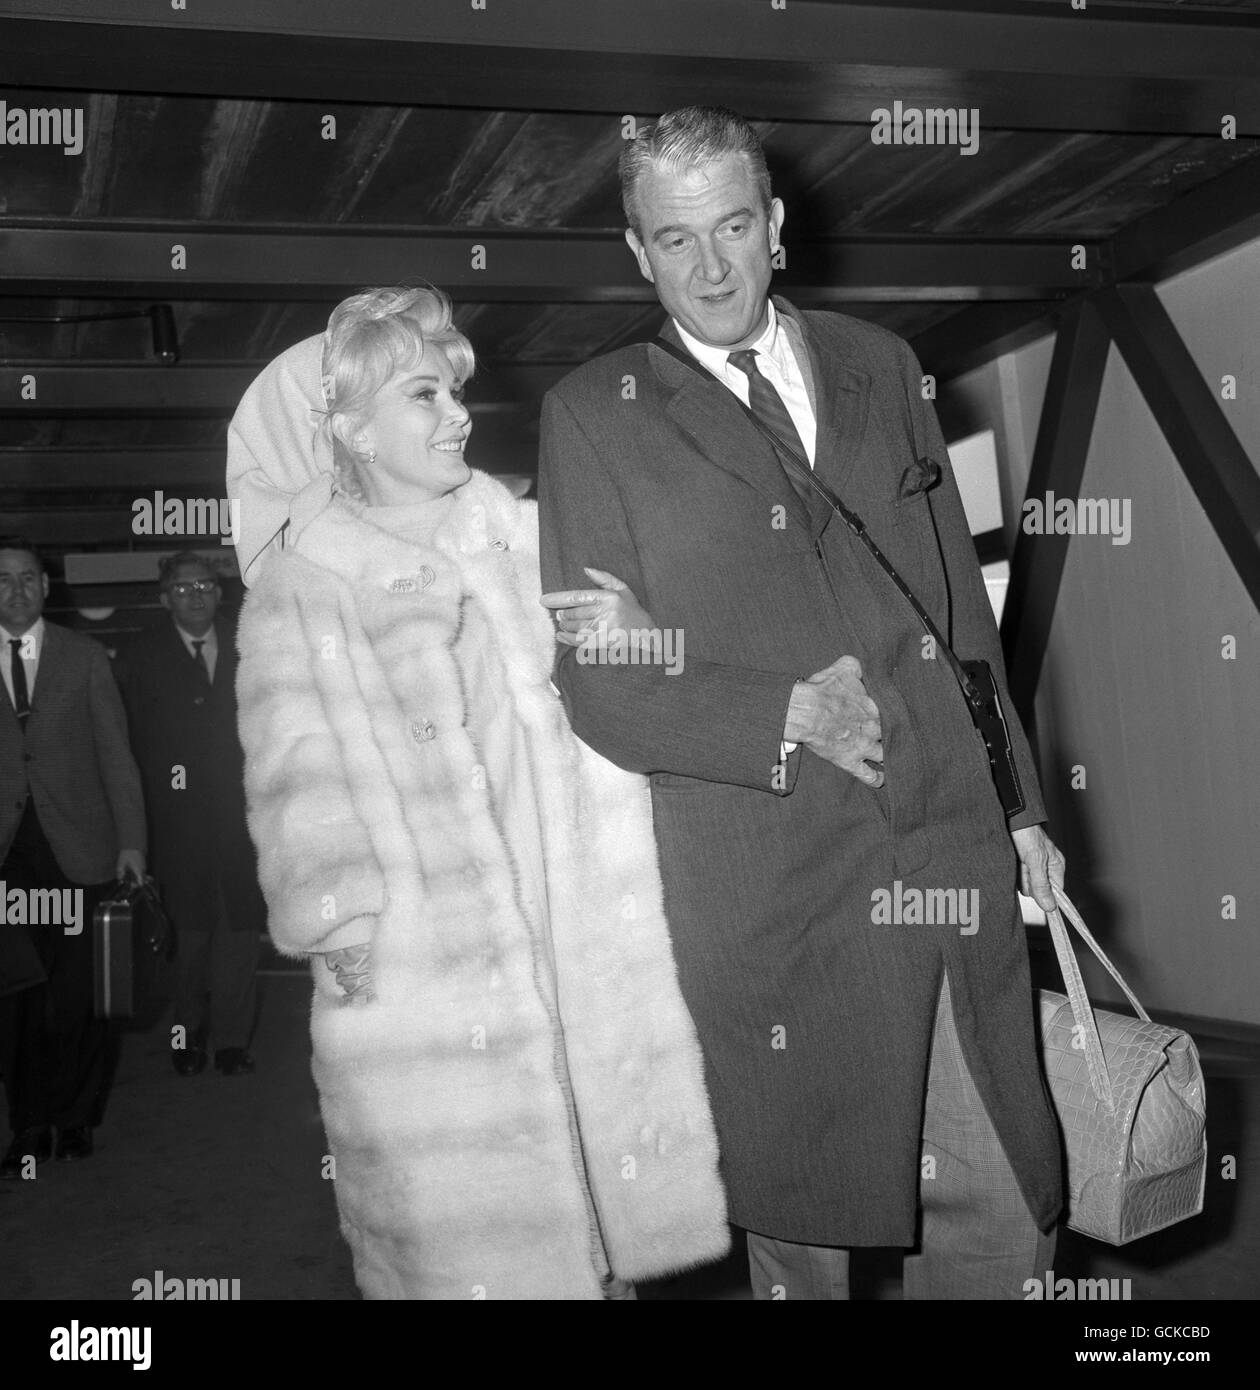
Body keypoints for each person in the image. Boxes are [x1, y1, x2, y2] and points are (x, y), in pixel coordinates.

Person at [537, 106, 1067, 1300]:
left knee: (1000, 1211)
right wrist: (781, 711)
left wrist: (1021, 806)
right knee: (807, 1234)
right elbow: (597, 680)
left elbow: (958, 617)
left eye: (733, 228)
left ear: (777, 227)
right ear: (637, 252)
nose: (711, 267)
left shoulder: (881, 364)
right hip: (774, 897)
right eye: (675, 242)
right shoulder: (594, 414)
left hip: (946, 838)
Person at [225, 285, 728, 1299]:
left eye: (457, 392)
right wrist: (340, 927)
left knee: (604, 1198)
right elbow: (296, 774)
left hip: (572, 908)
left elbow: (659, 670)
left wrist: (644, 627)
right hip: (425, 949)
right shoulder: (304, 583)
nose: (459, 414)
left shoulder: (526, 533)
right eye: (425, 395)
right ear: (352, 429)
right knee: (476, 1237)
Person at [0, 538, 146, 1176]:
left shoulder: (84, 658)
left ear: (47, 587)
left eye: (28, 578)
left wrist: (132, 844)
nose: (16, 590)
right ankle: (29, 1124)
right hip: (10, 860)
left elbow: (118, 758)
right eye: (2, 580)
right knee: (19, 998)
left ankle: (77, 1117)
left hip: (82, 852)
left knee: (82, 994)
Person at [115, 552, 267, 1078]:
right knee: (186, 943)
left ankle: (230, 1042)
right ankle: (185, 1037)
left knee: (239, 937)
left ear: (220, 591)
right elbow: (126, 747)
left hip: (242, 824)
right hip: (173, 828)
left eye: (205, 584)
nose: (196, 594)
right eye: (182, 588)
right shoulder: (139, 656)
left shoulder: (254, 646)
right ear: (164, 599)